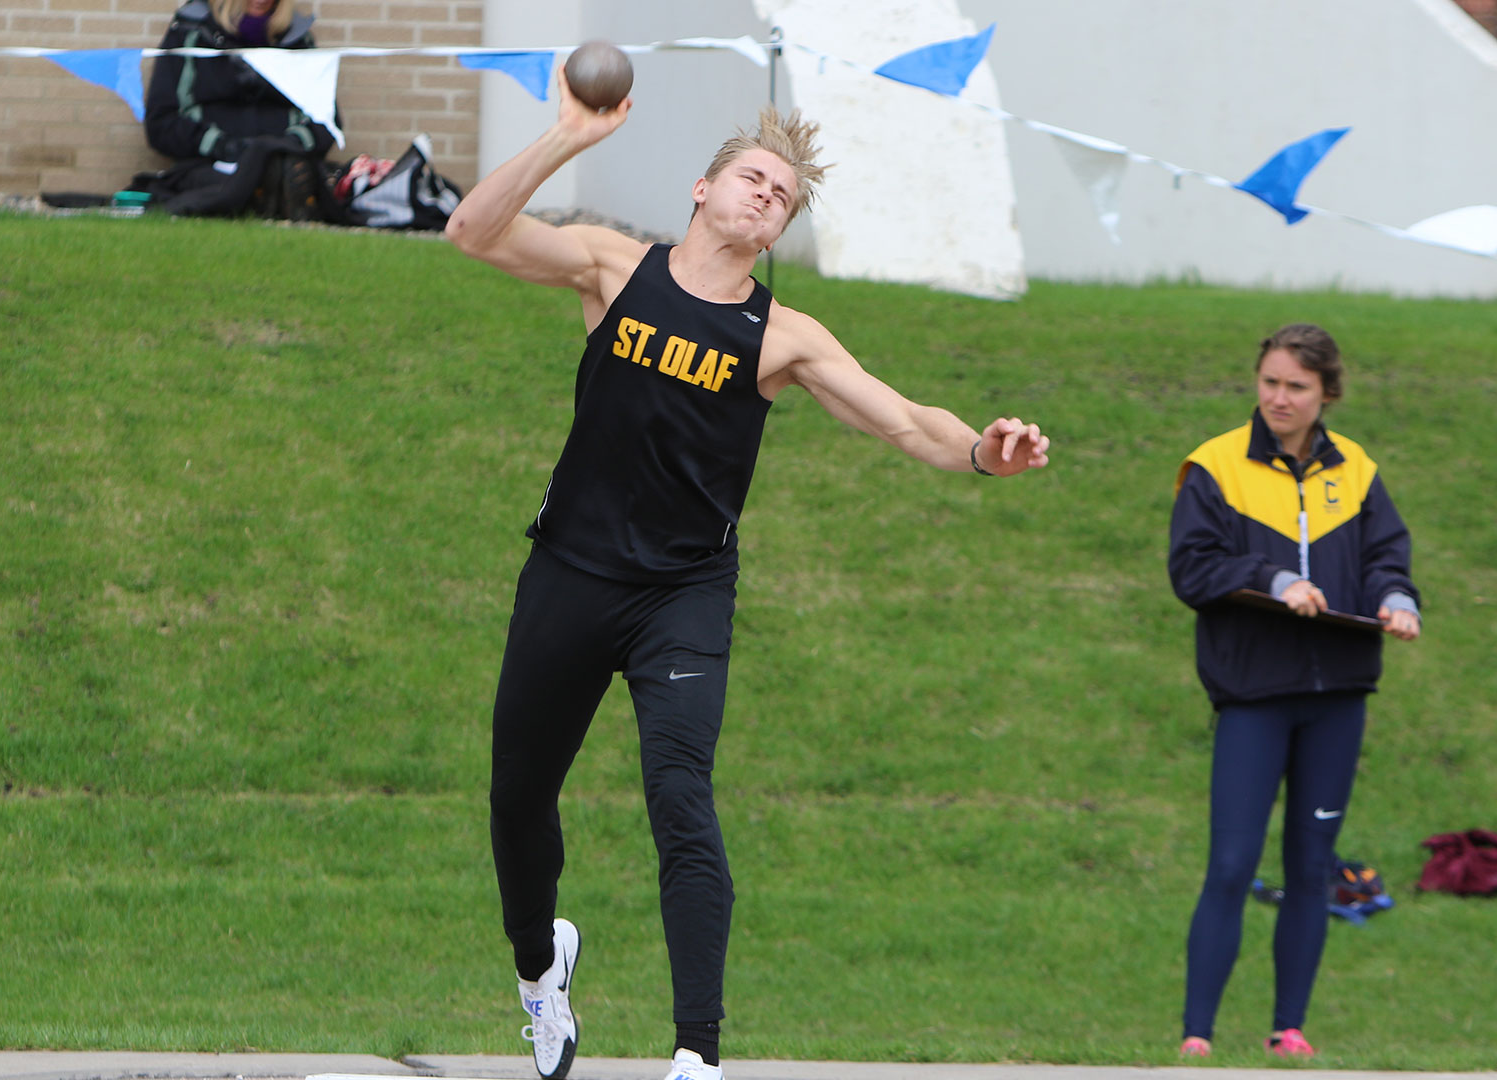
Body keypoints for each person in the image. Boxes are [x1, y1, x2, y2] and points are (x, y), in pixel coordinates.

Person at [445, 67, 1051, 1080]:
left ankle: (698, 1055)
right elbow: (471, 231)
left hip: (680, 593)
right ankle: (540, 968)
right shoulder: (610, 268)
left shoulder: (782, 338)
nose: (766, 195)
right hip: (572, 574)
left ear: (774, 233)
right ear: (703, 188)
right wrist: (569, 138)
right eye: (754, 178)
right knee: (517, 798)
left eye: (782, 196)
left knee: (680, 795)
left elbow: (906, 420)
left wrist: (986, 450)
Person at [1167, 323, 1422, 1059]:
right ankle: (1197, 1036)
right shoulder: (1215, 467)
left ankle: (1289, 1032)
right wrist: (1274, 581)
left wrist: (1398, 600)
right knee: (1231, 864)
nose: (1279, 398)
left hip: (1338, 693)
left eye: (1296, 387)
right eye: (1270, 382)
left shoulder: (1360, 473)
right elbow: (1192, 569)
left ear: (1327, 395)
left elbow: (1384, 558)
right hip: (1253, 695)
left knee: (1312, 864)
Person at [143, 0, 338, 215]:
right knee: (227, 186)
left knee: (291, 172)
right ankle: (265, 197)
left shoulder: (299, 41)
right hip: (209, 164)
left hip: (282, 162)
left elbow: (327, 121)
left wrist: (280, 147)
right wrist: (222, 146)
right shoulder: (190, 33)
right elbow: (161, 121)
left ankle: (272, 193)